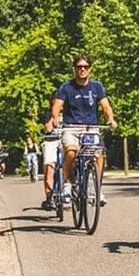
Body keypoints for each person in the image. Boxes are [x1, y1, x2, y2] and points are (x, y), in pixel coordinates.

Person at [45, 55, 118, 208]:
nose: (82, 69)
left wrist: (110, 119)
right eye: (79, 67)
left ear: (90, 69)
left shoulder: (97, 87)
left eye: (85, 66)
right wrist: (55, 117)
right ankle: (66, 184)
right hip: (71, 127)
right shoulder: (66, 87)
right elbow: (57, 105)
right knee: (71, 152)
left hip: (91, 128)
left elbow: (106, 106)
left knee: (98, 154)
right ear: (75, 69)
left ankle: (96, 188)